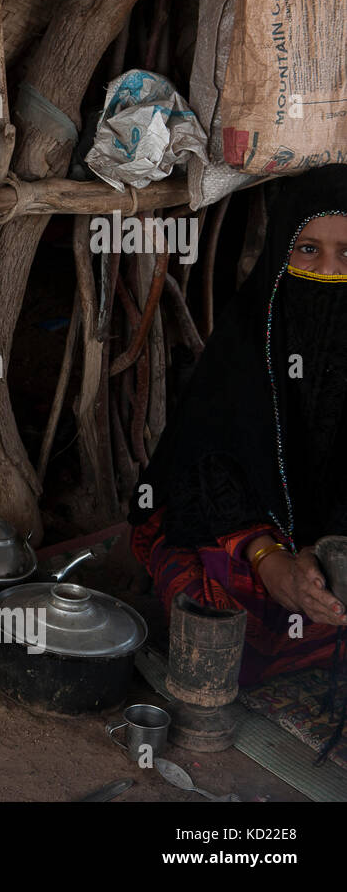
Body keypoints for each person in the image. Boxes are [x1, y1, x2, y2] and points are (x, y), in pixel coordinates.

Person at [131, 165, 347, 698]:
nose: (328, 270)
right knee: (221, 626)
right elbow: (207, 465)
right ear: (280, 255)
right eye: (308, 251)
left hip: (331, 550)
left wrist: (329, 557)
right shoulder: (250, 341)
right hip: (249, 542)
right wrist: (273, 563)